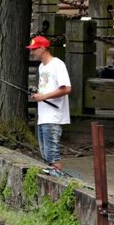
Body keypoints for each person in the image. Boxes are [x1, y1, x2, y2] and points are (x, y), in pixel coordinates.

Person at [28, 36, 71, 177]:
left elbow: (66, 89)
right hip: (43, 115)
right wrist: (38, 94)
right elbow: (47, 89)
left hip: (54, 116)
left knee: (52, 153)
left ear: (42, 48)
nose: (32, 52)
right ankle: (52, 179)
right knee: (45, 153)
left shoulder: (57, 64)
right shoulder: (41, 67)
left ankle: (58, 179)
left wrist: (43, 97)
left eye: (34, 49)